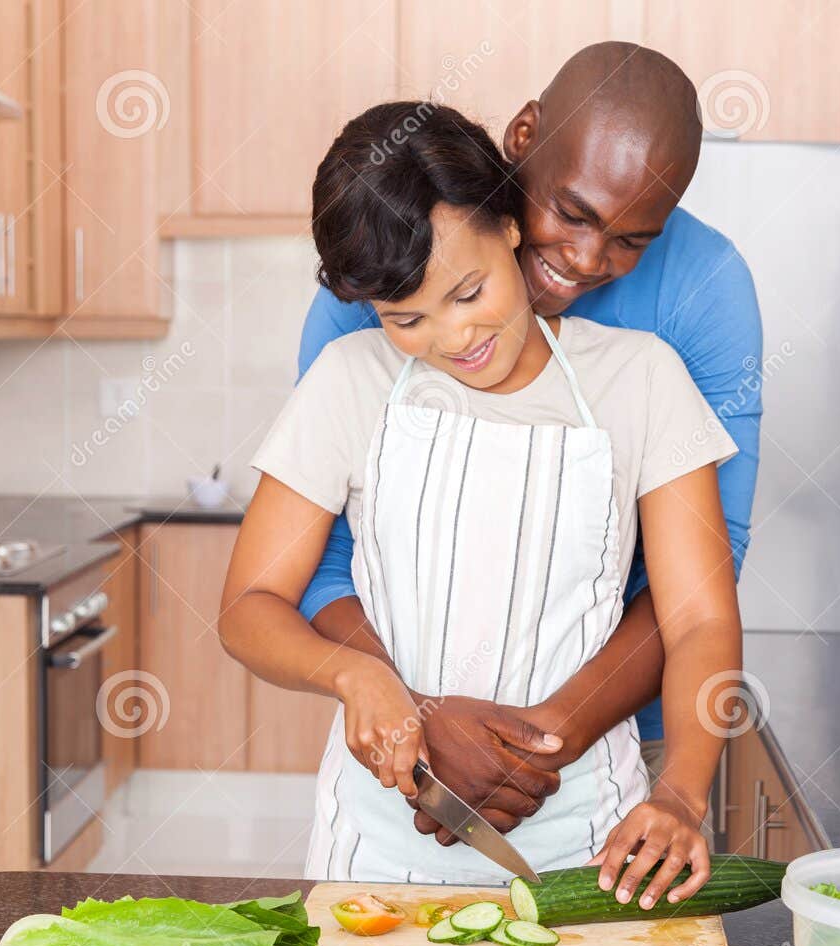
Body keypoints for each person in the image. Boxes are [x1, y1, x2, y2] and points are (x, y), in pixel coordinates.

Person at [219, 99, 742, 901]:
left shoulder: (642, 379)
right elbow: (248, 606)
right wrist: (359, 678)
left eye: (469, 292)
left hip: (589, 846)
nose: (453, 338)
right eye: (407, 319)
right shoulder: (348, 380)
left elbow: (699, 617)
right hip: (375, 853)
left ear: (509, 225)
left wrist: (681, 795)